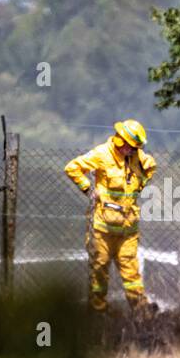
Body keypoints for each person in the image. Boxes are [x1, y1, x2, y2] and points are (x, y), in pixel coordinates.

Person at [64, 119, 157, 313]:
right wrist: (89, 189)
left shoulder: (138, 158)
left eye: (136, 148)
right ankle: (98, 313)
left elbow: (150, 168)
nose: (133, 151)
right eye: (132, 147)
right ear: (121, 142)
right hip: (102, 229)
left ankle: (142, 312)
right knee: (99, 271)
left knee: (132, 274)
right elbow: (72, 168)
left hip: (128, 230)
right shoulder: (102, 154)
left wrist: (141, 182)